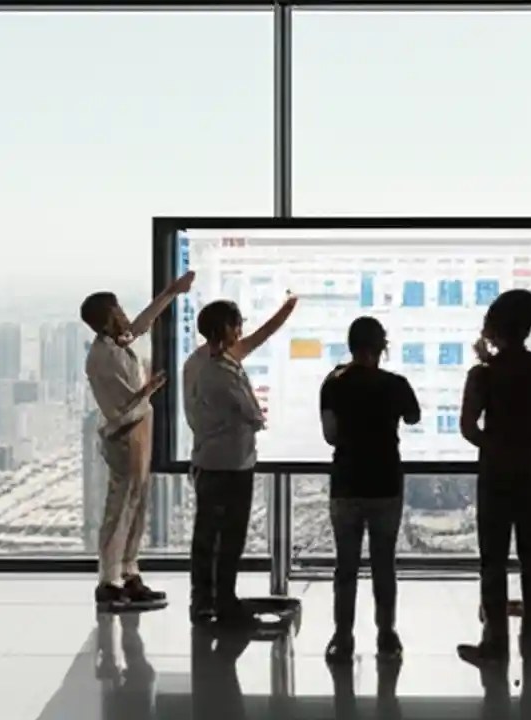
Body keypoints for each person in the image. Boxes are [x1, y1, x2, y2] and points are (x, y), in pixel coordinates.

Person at [456, 289, 531, 665]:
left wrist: (495, 444)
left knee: (493, 560)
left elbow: (469, 428)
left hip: (495, 473)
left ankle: (494, 645)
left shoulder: (483, 375)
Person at [82, 270, 195, 611]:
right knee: (120, 508)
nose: (124, 314)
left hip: (138, 431)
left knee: (137, 506)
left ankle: (129, 572)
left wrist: (172, 291)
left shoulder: (116, 344)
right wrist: (148, 390)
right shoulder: (102, 355)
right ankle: (109, 579)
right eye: (117, 309)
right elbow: (120, 405)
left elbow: (144, 322)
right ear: (107, 317)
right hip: (126, 435)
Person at [184, 292, 298, 626]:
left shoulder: (198, 360)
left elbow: (259, 337)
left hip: (207, 461)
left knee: (206, 537)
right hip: (230, 466)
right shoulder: (220, 372)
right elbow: (251, 414)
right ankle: (225, 603)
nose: (242, 331)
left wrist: (285, 309)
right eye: (238, 325)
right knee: (229, 538)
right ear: (228, 329)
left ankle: (204, 601)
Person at [318, 317, 420, 663]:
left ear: (350, 346)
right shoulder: (395, 384)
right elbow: (413, 417)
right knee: (383, 564)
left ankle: (343, 637)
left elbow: (330, 435)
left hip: (346, 483)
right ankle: (387, 635)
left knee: (345, 566)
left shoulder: (333, 384)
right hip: (386, 482)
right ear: (382, 347)